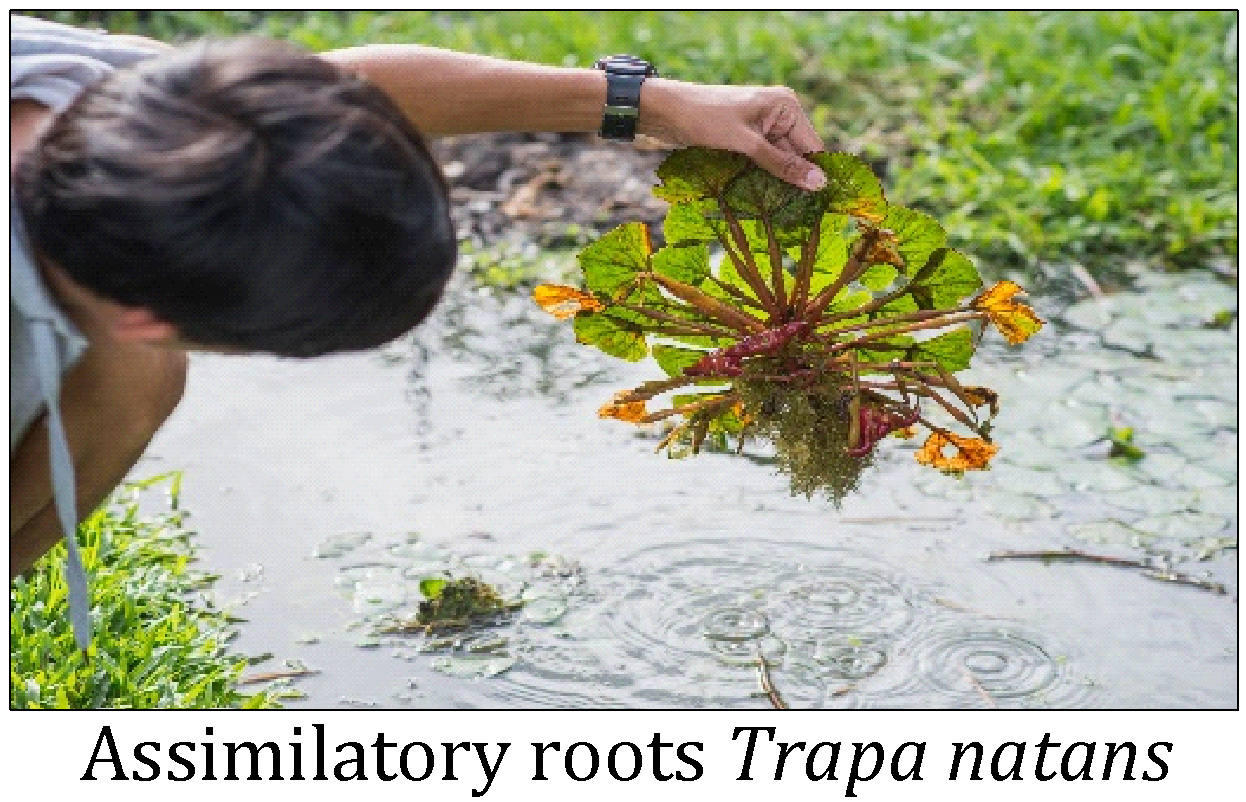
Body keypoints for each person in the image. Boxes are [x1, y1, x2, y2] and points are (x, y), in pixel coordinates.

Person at [10, 13, 828, 646]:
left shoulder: (142, 115)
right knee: (132, 374)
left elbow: (350, 90)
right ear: (141, 318)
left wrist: (656, 103)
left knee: (136, 378)